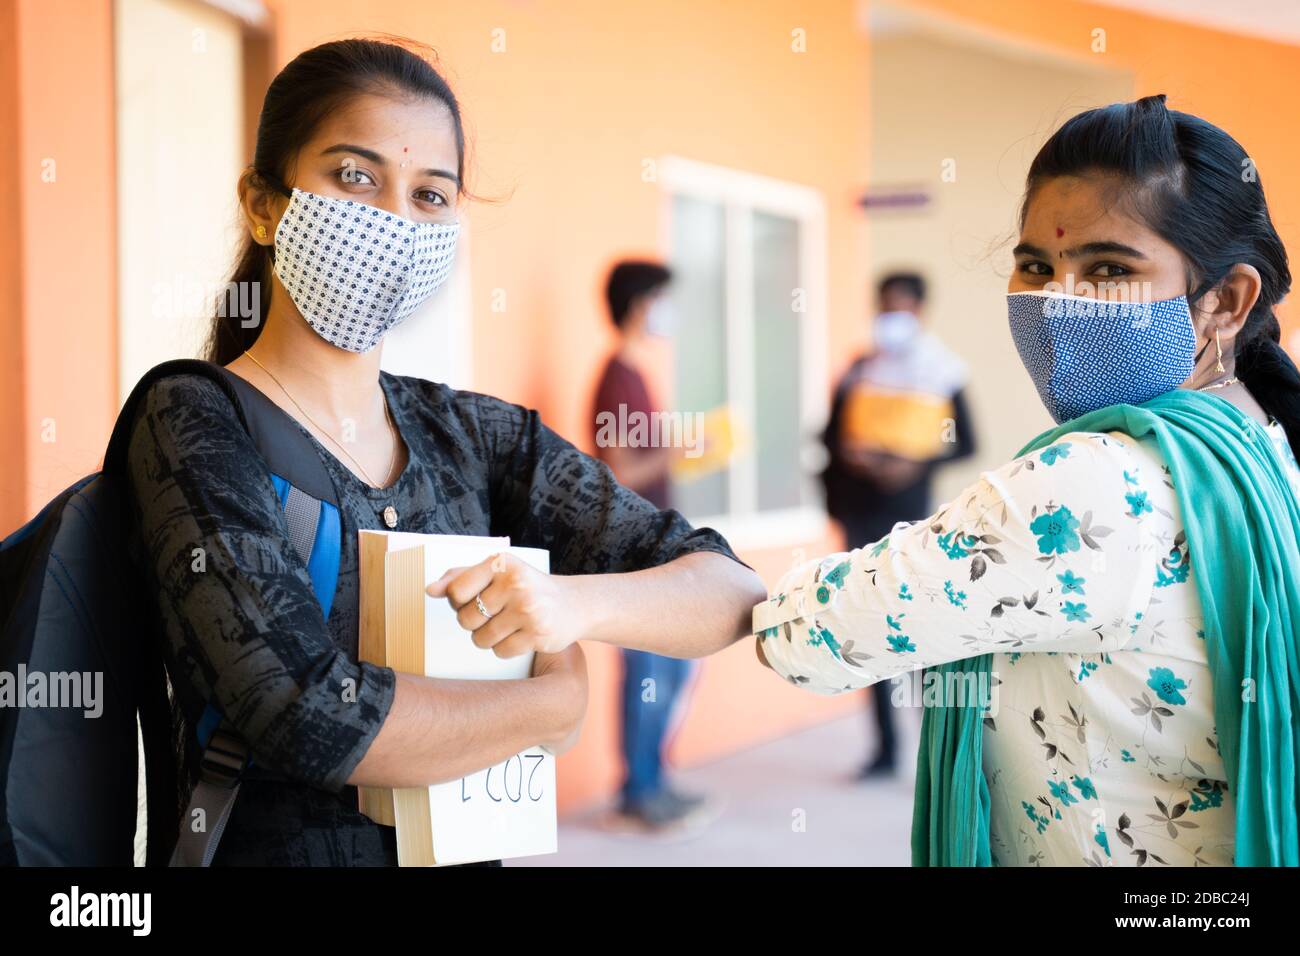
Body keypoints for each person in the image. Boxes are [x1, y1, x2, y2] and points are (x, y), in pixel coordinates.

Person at [123, 38, 764, 866]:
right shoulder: (194, 419)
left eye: (431, 195)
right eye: (355, 177)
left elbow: (729, 590)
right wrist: (552, 704)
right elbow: (308, 716)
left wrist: (576, 607)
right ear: (264, 205)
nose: (394, 220)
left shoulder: (472, 434)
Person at [755, 94, 1300, 866]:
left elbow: (807, 634)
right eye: (1037, 266)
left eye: (1108, 269)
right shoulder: (1264, 440)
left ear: (1226, 301)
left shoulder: (1096, 478)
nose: (1056, 303)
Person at [820, 272, 977, 778]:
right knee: (865, 630)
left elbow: (966, 442)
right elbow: (828, 435)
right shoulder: (861, 369)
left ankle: (937, 748)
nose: (892, 318)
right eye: (884, 307)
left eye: (901, 308)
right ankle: (884, 751)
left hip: (910, 520)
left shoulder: (943, 372)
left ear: (920, 311)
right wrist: (851, 452)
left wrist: (914, 464)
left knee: (919, 631)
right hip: (861, 516)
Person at [591, 261, 712, 834]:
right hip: (634, 547)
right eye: (664, 298)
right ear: (642, 303)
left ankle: (652, 784)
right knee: (650, 671)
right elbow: (622, 467)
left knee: (672, 668)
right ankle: (639, 792)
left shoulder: (634, 374)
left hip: (657, 544)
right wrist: (684, 447)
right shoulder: (618, 375)